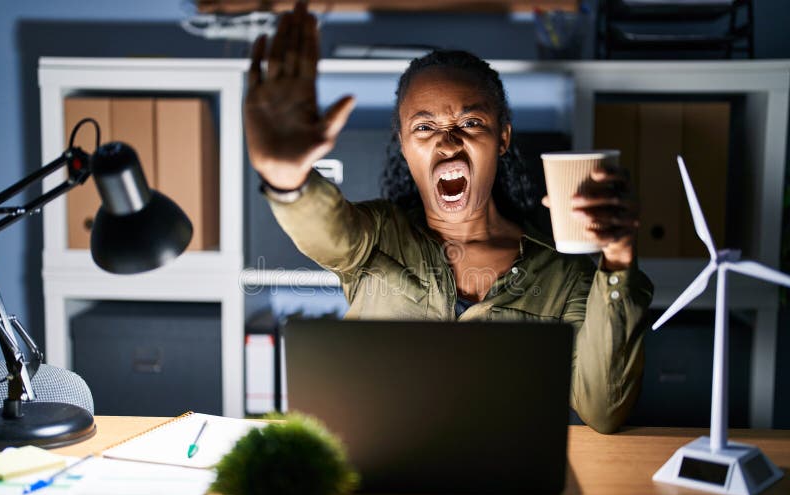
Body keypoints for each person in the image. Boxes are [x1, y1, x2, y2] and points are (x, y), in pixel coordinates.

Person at [245, 2, 653, 434]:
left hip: (502, 473)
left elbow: (604, 409)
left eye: (471, 122)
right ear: (404, 146)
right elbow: (324, 230)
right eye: (424, 127)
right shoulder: (378, 236)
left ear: (502, 138)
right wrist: (286, 178)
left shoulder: (563, 274)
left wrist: (618, 260)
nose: (448, 142)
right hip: (382, 466)